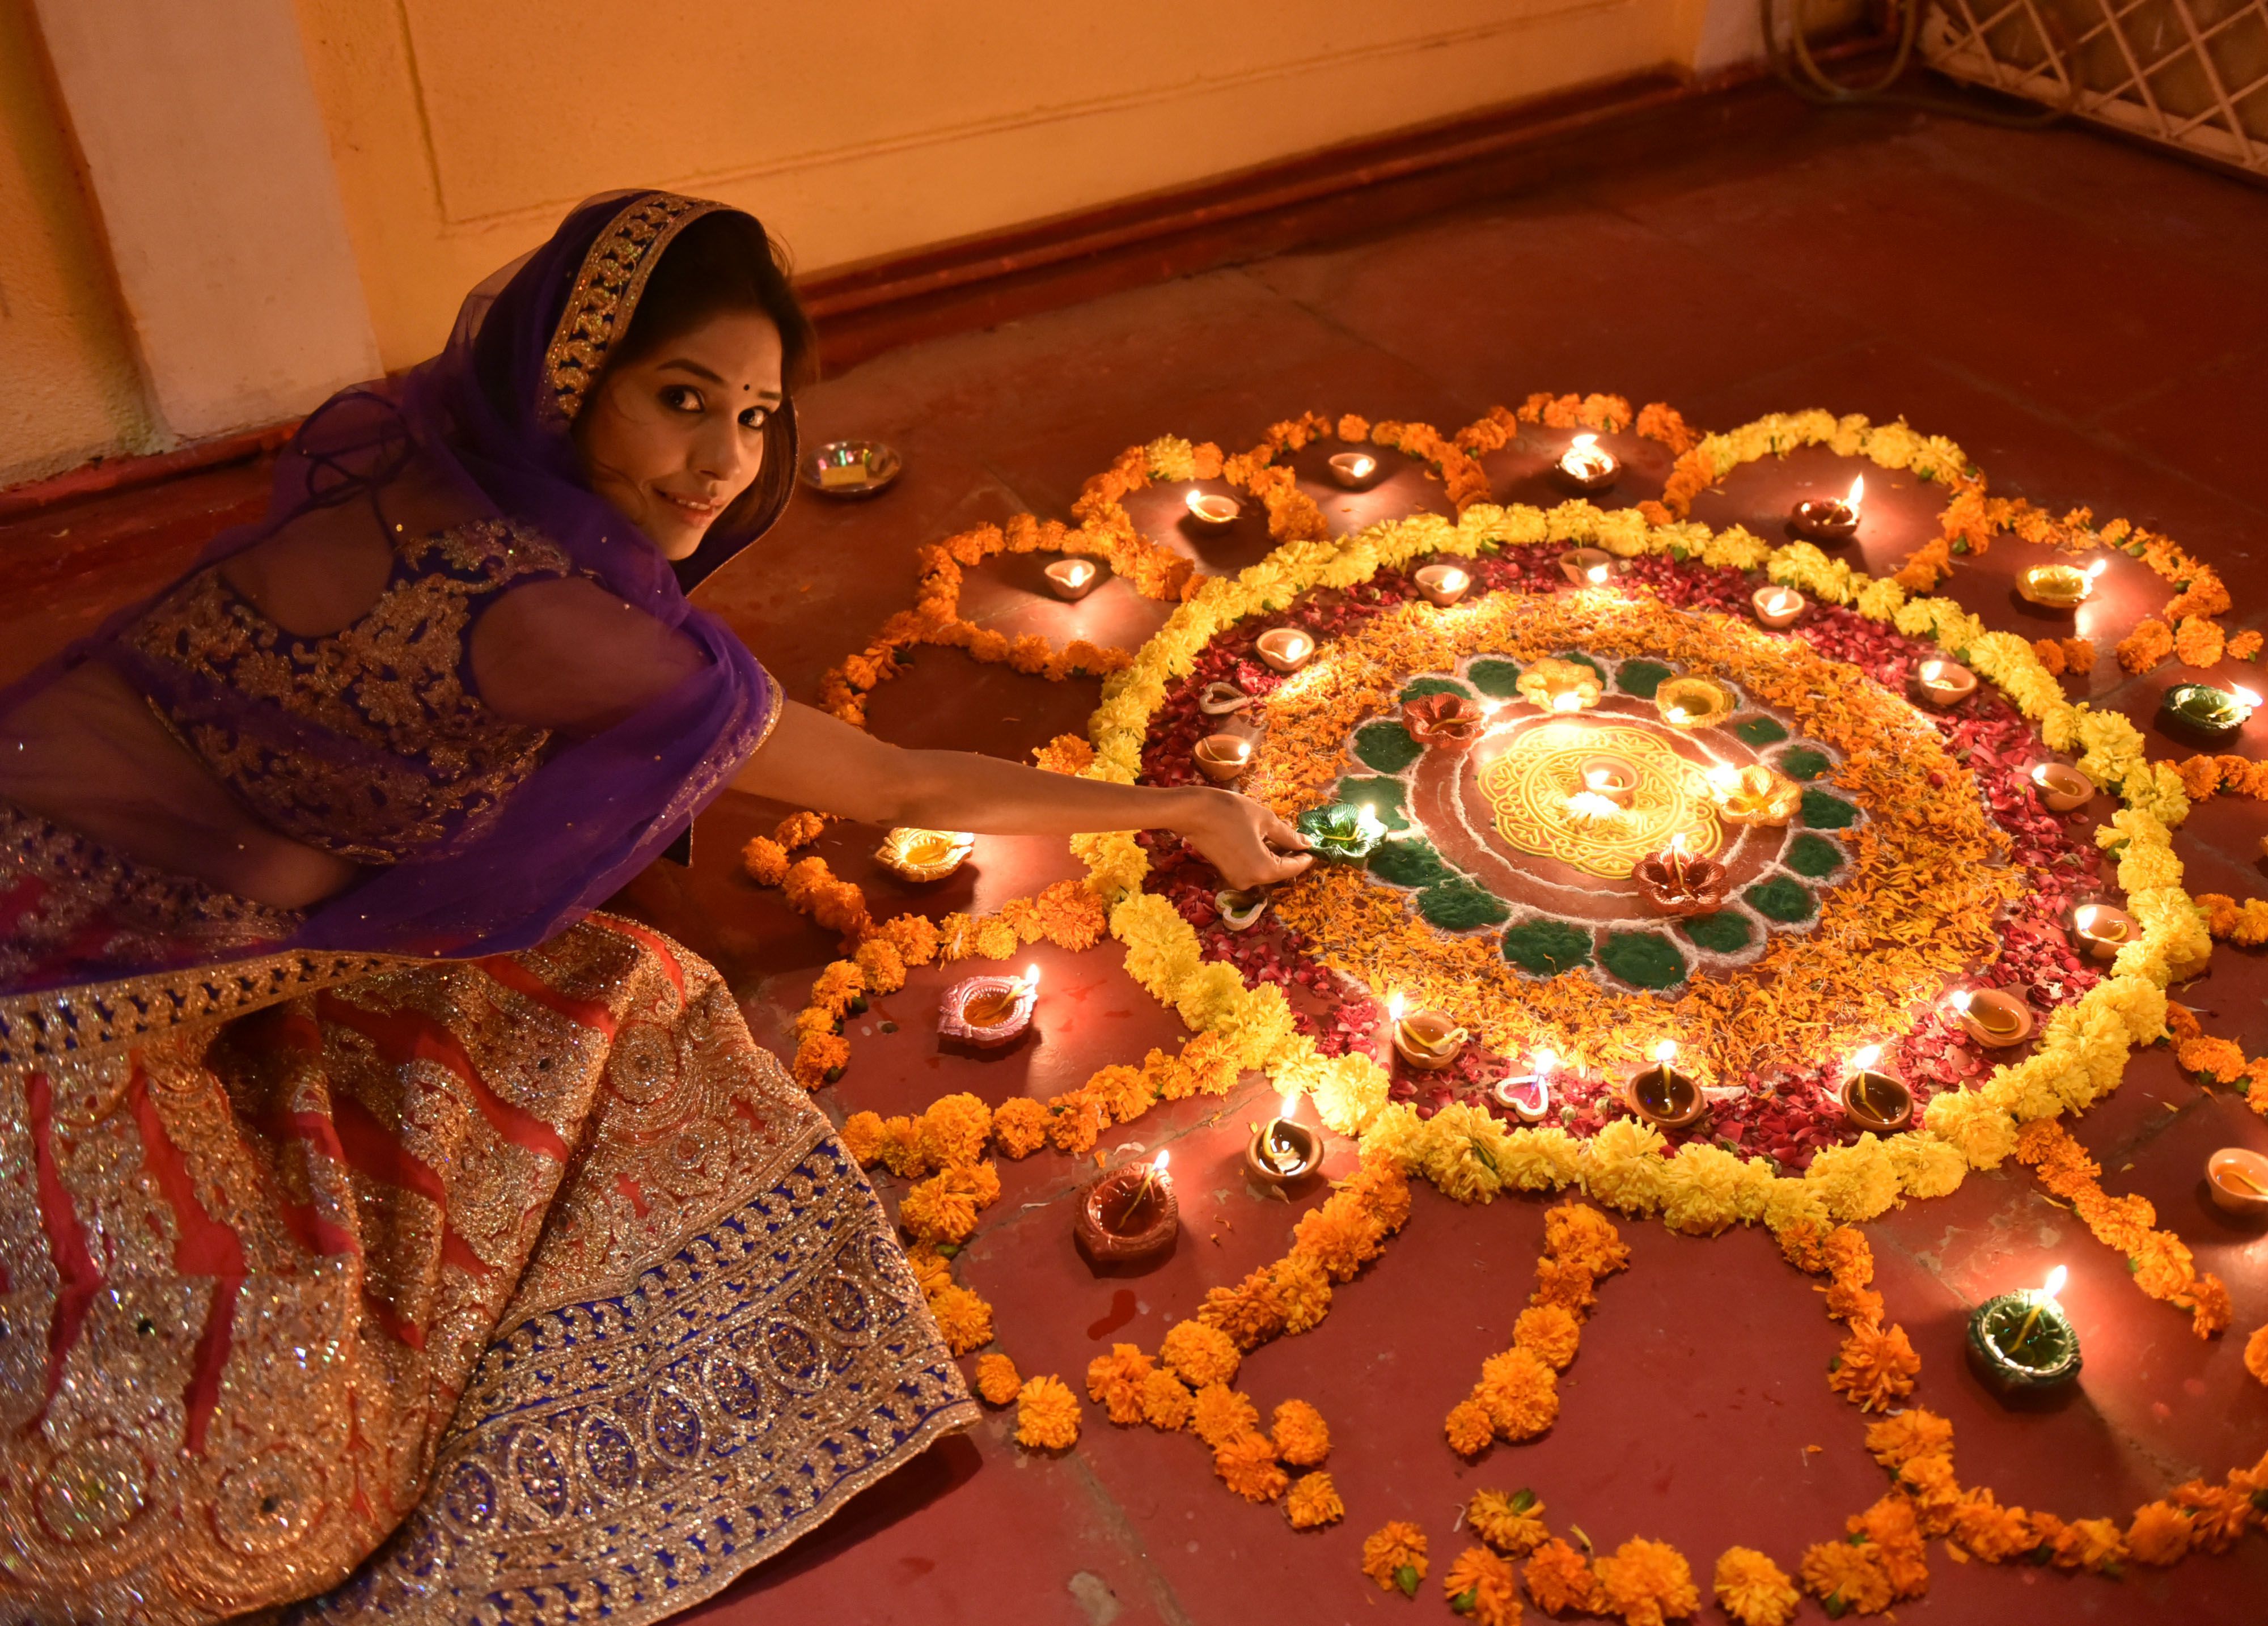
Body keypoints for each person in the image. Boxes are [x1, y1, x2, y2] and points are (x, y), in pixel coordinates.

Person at [0, 189, 1310, 1626]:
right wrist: (1182, 809)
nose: (721, 463)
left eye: (755, 416)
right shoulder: (563, 630)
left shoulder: (430, 478)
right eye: (681, 399)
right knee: (244, 1485)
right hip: (57, 1021)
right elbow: (892, 781)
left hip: (82, 892)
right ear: (572, 380)